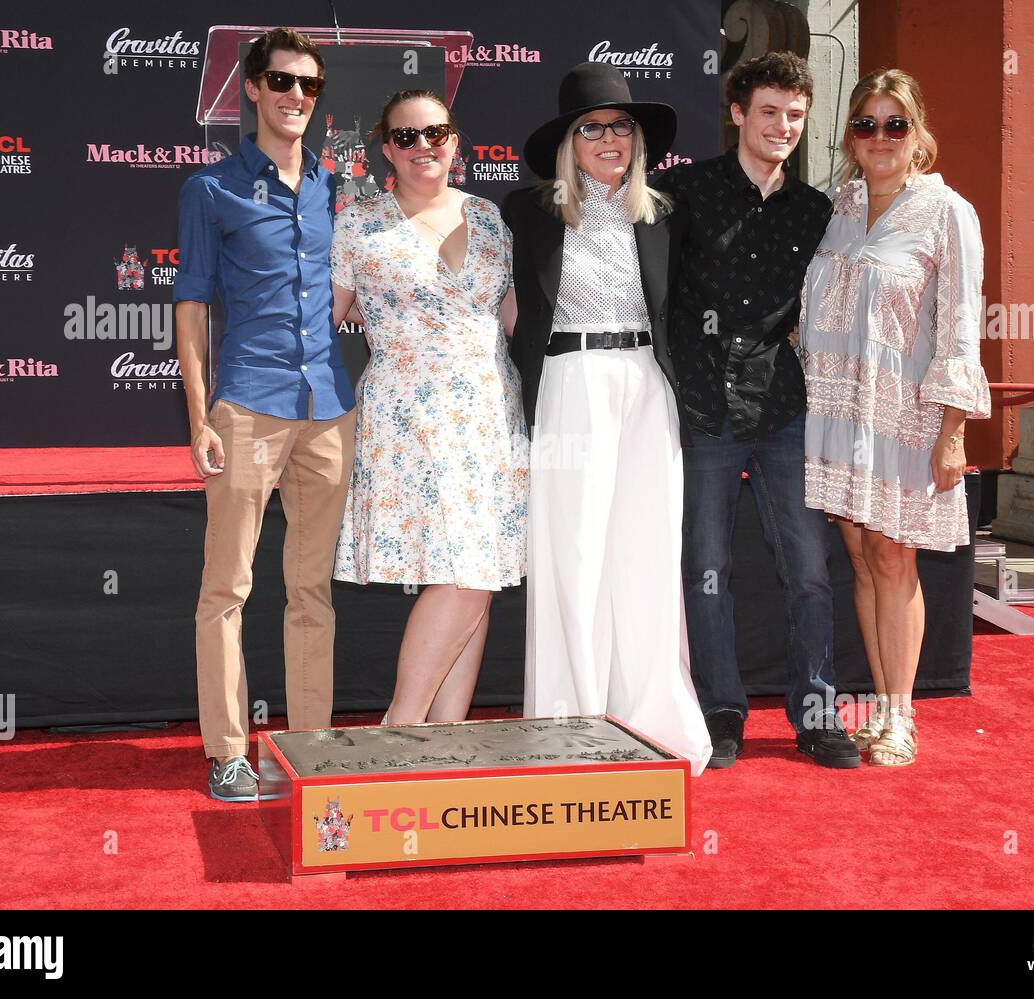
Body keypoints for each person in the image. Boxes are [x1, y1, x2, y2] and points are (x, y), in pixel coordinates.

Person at [503, 62, 712, 776]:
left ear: (638, 137)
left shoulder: (666, 213)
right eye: (591, 127)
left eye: (621, 126)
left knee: (647, 556)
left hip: (648, 389)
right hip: (569, 386)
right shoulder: (526, 213)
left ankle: (654, 719)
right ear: (569, 140)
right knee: (574, 556)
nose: (609, 138)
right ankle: (572, 724)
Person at [657, 52, 858, 769]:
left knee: (806, 565)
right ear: (738, 112)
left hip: (781, 406)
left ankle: (816, 713)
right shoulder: (680, 192)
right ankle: (721, 710)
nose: (782, 126)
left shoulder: (815, 210)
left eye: (796, 116)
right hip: (704, 406)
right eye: (768, 111)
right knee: (706, 565)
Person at [174, 29, 355, 802]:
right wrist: (198, 416)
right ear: (251, 88)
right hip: (246, 405)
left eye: (309, 86)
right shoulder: (209, 188)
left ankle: (307, 746)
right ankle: (226, 751)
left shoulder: (338, 190)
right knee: (230, 586)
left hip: (330, 411)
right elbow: (190, 306)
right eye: (281, 82)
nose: (295, 98)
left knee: (311, 589)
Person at [798, 69, 990, 766]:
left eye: (895, 124)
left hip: (903, 416)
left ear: (918, 133)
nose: (880, 137)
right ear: (850, 137)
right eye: (867, 124)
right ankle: (879, 706)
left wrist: (954, 430)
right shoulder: (836, 205)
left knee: (892, 555)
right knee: (858, 556)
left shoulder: (947, 213)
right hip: (834, 411)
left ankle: (900, 714)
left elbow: (961, 328)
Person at [329, 90, 528, 726]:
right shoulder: (357, 222)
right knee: (468, 569)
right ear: (385, 148)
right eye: (407, 136)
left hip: (490, 414)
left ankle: (444, 734)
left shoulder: (492, 217)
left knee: (480, 572)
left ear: (455, 140)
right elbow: (326, 319)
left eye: (435, 133)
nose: (424, 147)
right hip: (408, 415)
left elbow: (513, 318)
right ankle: (403, 724)